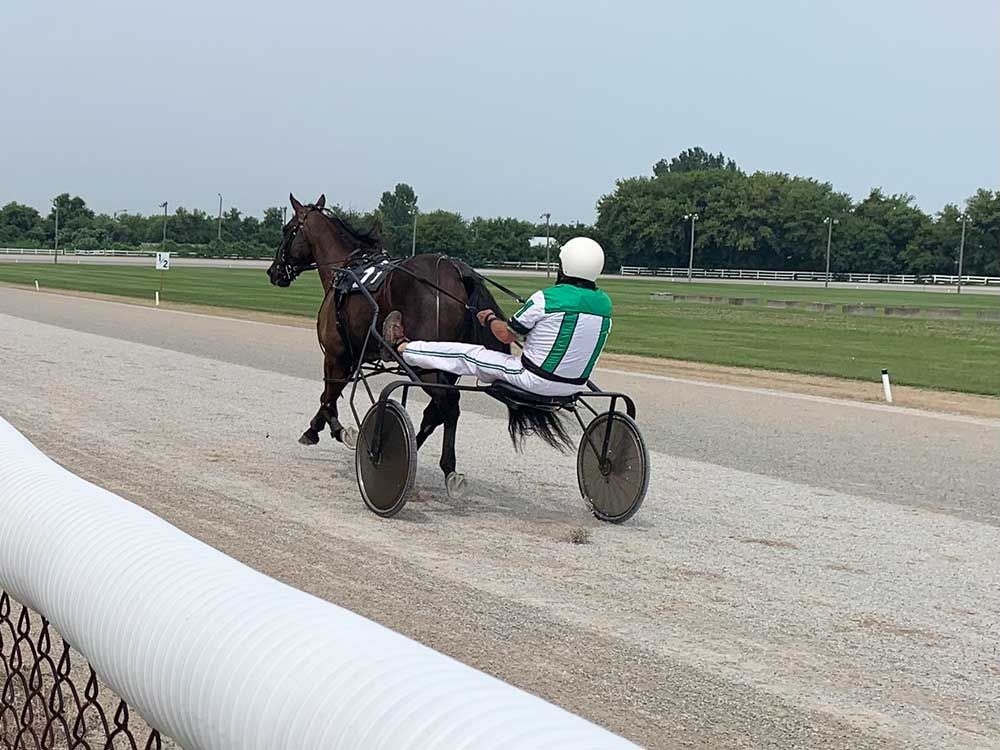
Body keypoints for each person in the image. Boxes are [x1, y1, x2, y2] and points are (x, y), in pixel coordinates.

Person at [382, 237, 612, 397]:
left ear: (565, 267)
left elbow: (505, 335)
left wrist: (490, 318)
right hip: (575, 386)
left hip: (533, 379)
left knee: (468, 354)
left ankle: (403, 348)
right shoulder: (605, 304)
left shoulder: (548, 298)